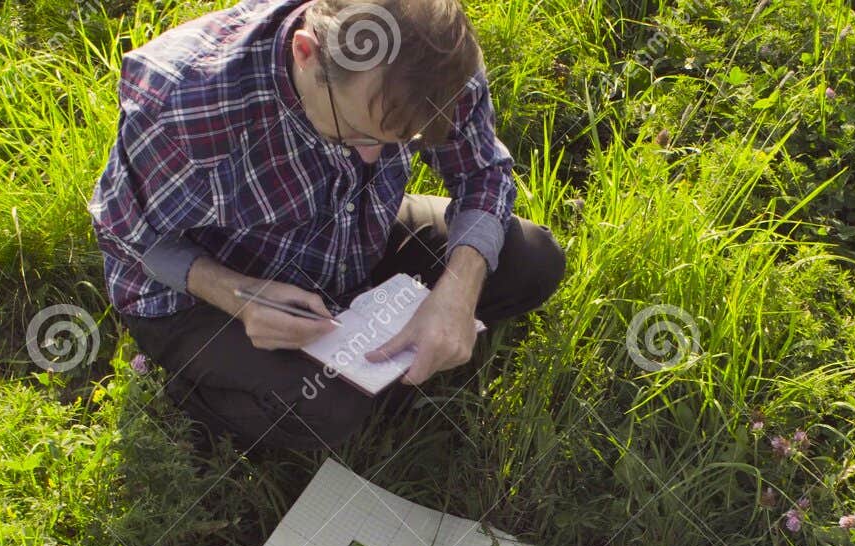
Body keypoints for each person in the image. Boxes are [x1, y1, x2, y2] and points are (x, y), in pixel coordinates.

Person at [88, 0, 566, 452]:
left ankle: (375, 336)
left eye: (403, 139)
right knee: (331, 409)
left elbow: (481, 173)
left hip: (358, 237)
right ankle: (183, 386)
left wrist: (458, 292)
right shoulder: (186, 103)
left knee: (532, 258)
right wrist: (239, 297)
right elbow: (124, 233)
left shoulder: (434, 61)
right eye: (354, 133)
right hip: (201, 292)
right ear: (305, 54)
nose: (372, 157)